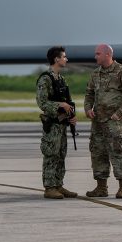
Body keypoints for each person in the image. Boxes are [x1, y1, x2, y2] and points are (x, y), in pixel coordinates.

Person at [84, 43, 122, 198]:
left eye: (98, 53)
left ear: (108, 54)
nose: (95, 56)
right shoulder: (95, 74)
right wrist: (88, 109)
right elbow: (89, 94)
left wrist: (120, 112)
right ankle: (101, 187)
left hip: (114, 122)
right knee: (98, 152)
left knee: (118, 152)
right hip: (98, 121)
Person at [36, 46, 78, 200]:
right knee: (51, 155)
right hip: (52, 125)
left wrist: (71, 117)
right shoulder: (45, 79)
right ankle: (49, 187)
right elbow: (42, 102)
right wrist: (59, 106)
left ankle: (58, 184)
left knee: (61, 155)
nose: (66, 59)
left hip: (61, 125)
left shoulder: (60, 79)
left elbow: (68, 102)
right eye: (64, 57)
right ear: (56, 59)